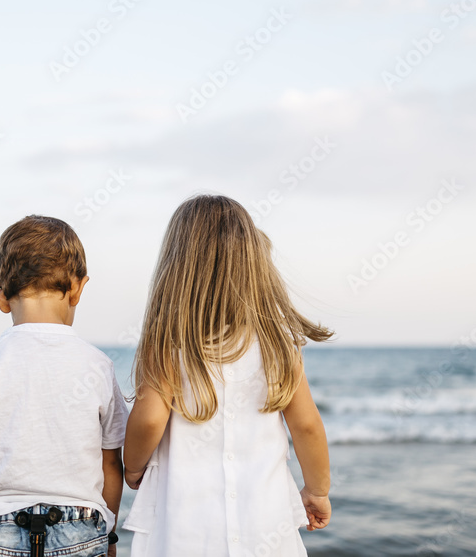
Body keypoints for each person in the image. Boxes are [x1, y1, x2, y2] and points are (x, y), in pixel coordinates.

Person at [122, 194, 334, 556]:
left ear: (176, 265)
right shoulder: (277, 344)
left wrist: (132, 466)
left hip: (185, 531)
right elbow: (308, 426)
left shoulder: (168, 342)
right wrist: (317, 491)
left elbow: (149, 420)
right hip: (266, 528)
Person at [0, 215, 127, 557]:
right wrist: (107, 538)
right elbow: (110, 463)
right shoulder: (98, 366)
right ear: (78, 288)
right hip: (81, 531)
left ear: (0, 297)